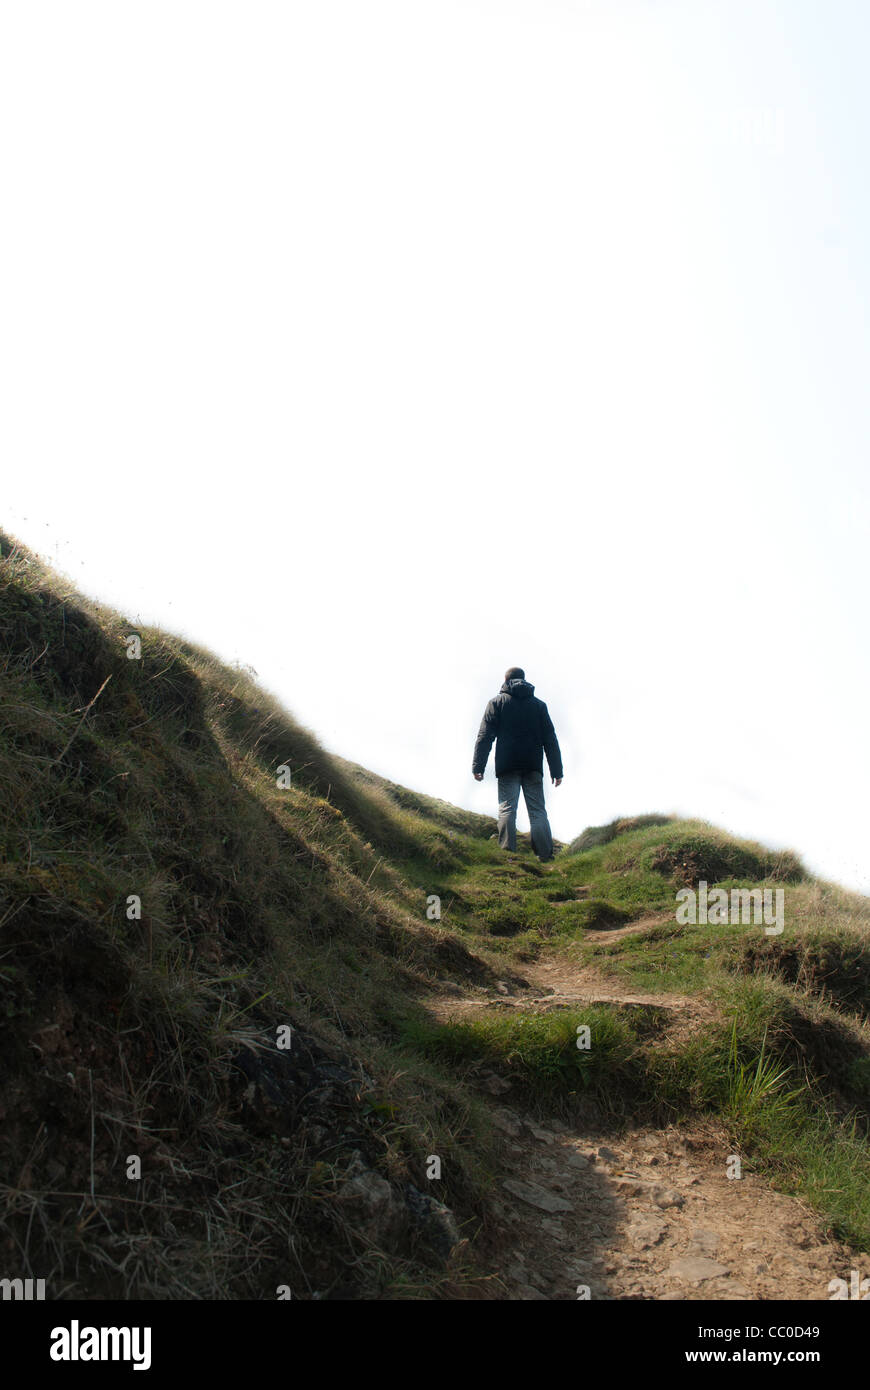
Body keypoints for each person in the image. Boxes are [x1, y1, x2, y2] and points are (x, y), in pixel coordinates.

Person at [472, 667, 563, 861]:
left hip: (507, 765)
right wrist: (557, 770)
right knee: (537, 810)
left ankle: (507, 853)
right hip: (533, 765)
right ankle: (545, 855)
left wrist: (478, 766)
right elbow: (550, 739)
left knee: (507, 807)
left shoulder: (496, 703)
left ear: (505, 680)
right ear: (524, 680)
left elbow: (484, 736)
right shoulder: (539, 706)